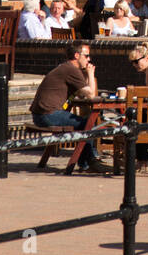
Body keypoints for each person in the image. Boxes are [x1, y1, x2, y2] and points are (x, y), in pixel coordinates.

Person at [30, 41, 108, 173]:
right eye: (87, 56)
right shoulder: (71, 69)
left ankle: (88, 162)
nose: (89, 59)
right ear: (77, 55)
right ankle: (89, 162)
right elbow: (91, 95)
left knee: (84, 122)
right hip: (47, 115)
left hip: (42, 114)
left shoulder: (66, 68)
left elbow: (83, 94)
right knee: (86, 123)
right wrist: (90, 73)